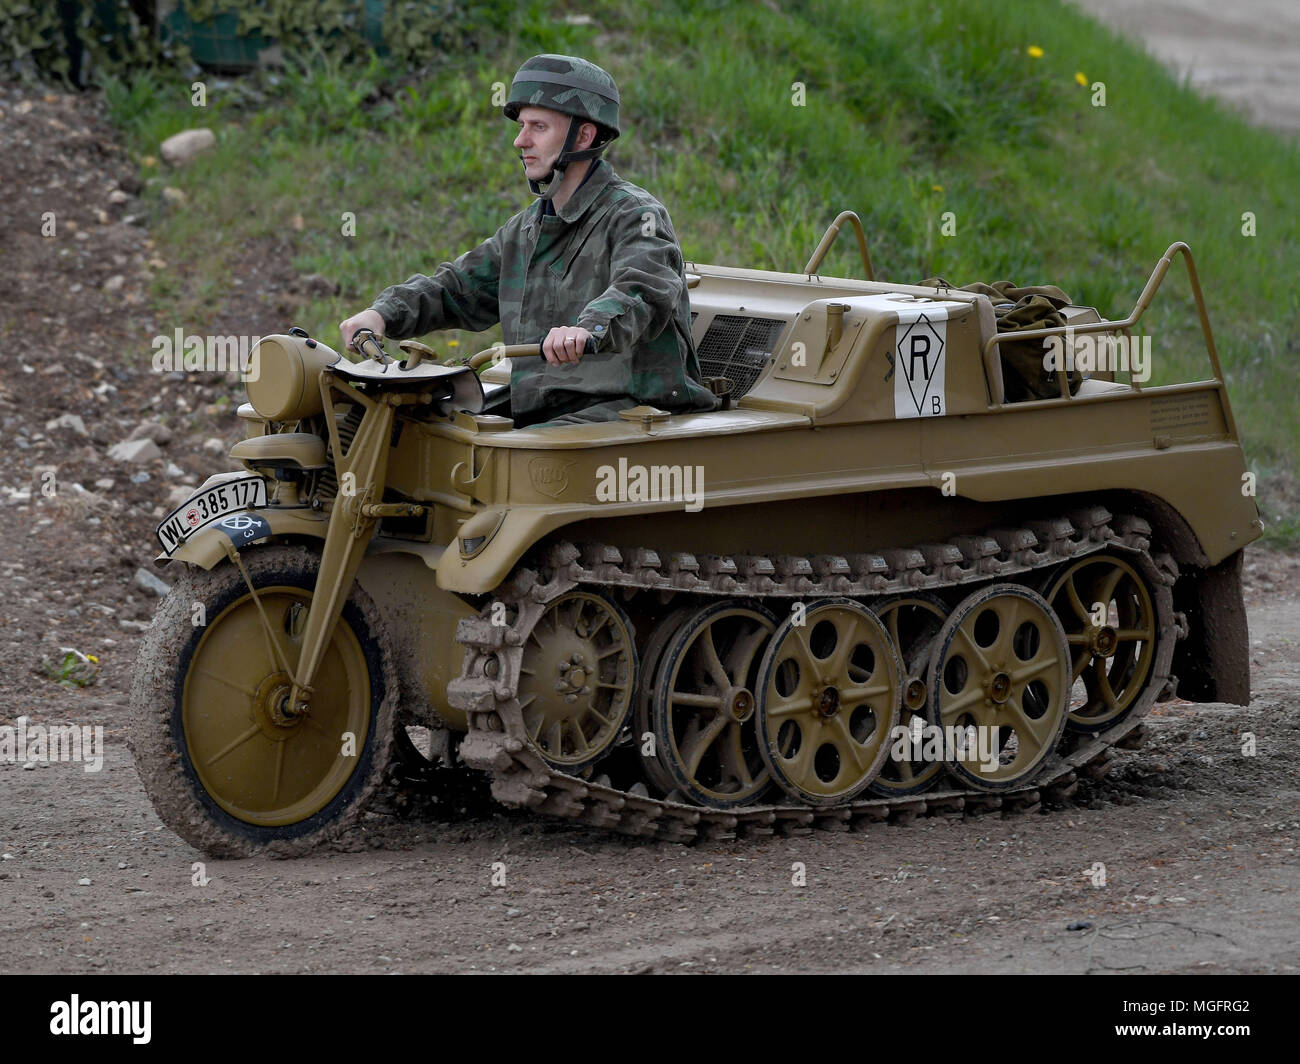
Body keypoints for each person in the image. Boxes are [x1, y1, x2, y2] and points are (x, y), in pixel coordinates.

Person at [339, 54, 718, 427]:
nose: (520, 141)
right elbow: (457, 287)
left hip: (628, 406)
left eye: (538, 126)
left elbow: (644, 289)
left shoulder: (636, 215)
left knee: (514, 464)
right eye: (521, 125)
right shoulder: (526, 230)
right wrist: (383, 313)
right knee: (405, 423)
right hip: (545, 408)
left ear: (584, 135)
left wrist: (590, 328)